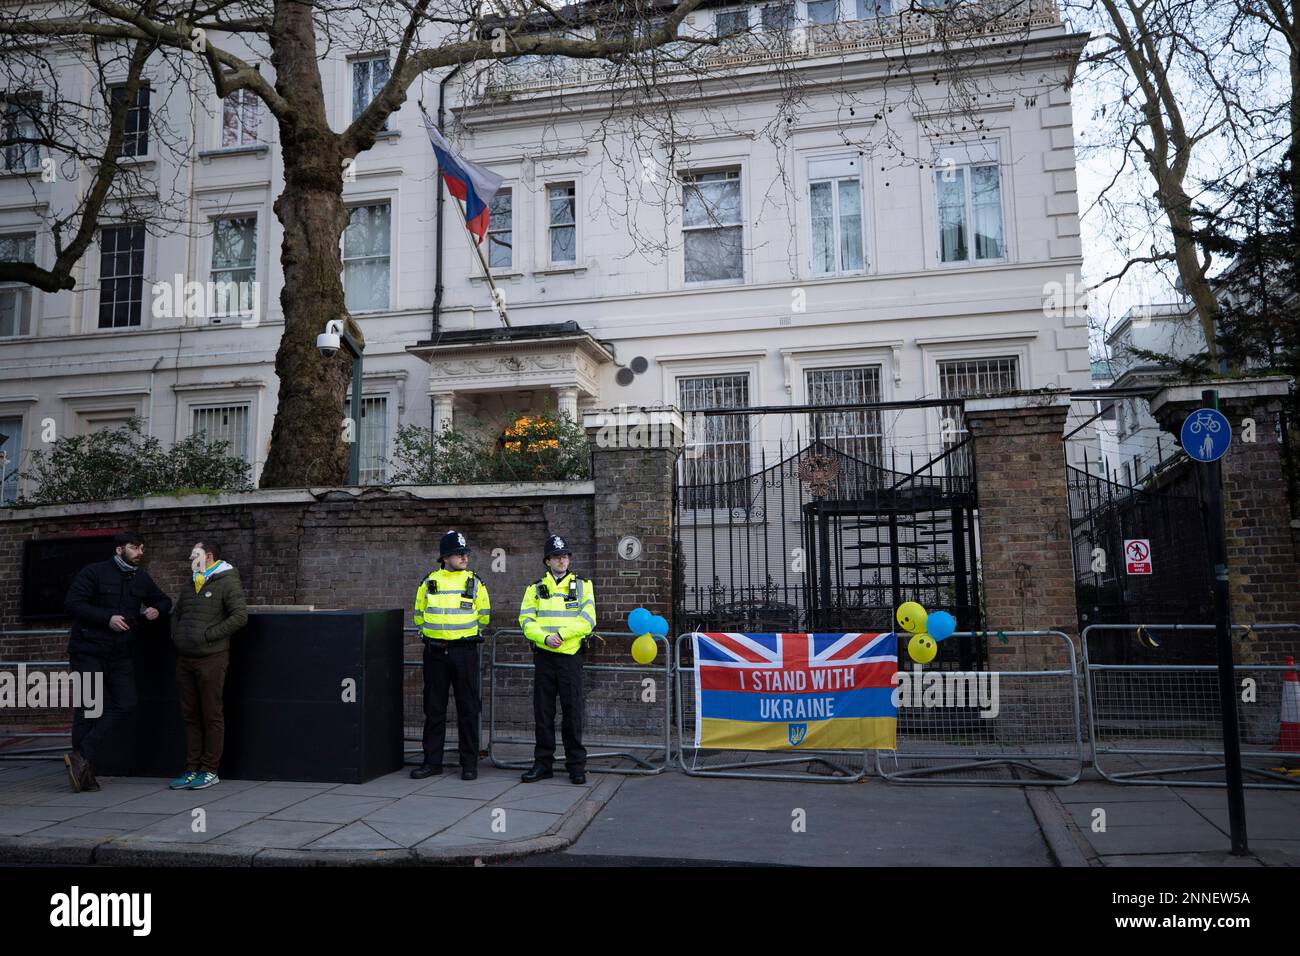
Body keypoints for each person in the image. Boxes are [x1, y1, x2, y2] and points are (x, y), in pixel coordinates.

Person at [63, 531, 173, 793]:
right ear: (119, 550)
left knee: (126, 703)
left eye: (142, 548)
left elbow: (163, 600)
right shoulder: (94, 572)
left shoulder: (141, 577)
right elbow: (73, 604)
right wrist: (106, 618)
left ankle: (80, 756)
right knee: (89, 708)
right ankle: (84, 773)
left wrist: (157, 609)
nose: (140, 552)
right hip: (87, 650)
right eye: (135, 548)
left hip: (120, 652)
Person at [168, 540, 247, 791]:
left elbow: (239, 616)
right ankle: (192, 769)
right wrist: (178, 635)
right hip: (185, 658)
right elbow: (177, 613)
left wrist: (207, 636)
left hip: (211, 658)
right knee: (191, 715)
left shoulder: (227, 580)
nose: (190, 558)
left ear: (208, 555)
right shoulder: (192, 580)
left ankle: (210, 770)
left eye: (195, 554)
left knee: (211, 714)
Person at [411, 530, 490, 781]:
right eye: (459, 553)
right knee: (434, 709)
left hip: (464, 652)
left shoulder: (475, 582)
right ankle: (432, 762)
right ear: (445, 556)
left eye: (466, 553)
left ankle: (469, 764)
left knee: (468, 708)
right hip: (435, 653)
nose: (464, 557)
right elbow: (418, 616)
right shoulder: (429, 582)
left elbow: (484, 616)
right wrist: (433, 635)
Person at [518, 533, 595, 785]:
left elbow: (588, 620)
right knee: (543, 712)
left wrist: (560, 635)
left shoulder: (584, 585)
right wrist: (545, 638)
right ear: (547, 561)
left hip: (570, 657)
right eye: (557, 556)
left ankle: (576, 765)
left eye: (565, 556)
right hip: (544, 656)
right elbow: (526, 621)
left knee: (572, 712)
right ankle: (543, 764)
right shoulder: (534, 589)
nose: (562, 560)